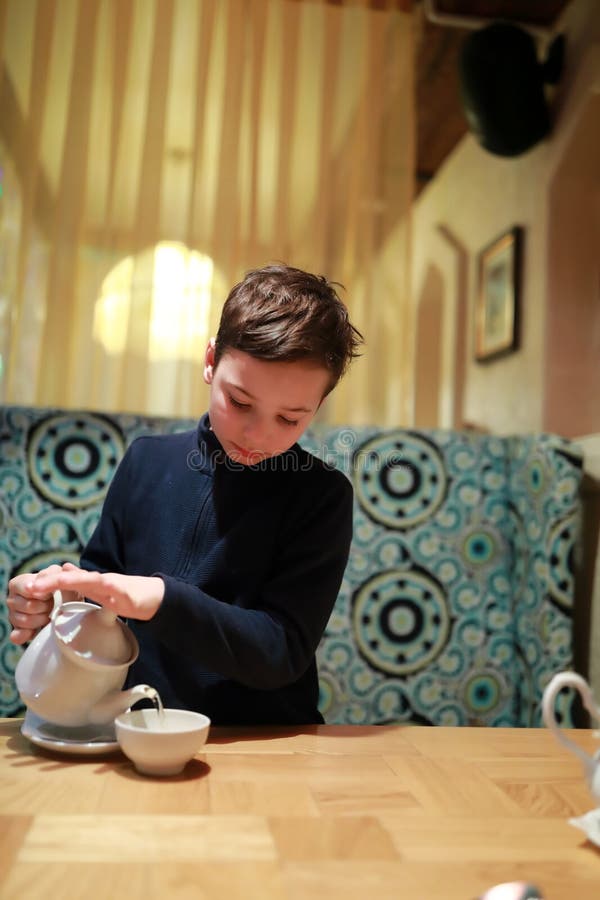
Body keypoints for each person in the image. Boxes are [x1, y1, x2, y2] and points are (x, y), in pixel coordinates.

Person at [7, 264, 363, 725]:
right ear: (210, 361)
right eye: (239, 402)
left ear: (318, 406)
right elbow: (99, 591)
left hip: (267, 741)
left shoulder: (321, 496)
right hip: (137, 728)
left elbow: (281, 650)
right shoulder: (146, 462)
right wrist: (56, 600)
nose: (257, 434)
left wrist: (159, 599)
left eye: (290, 419)